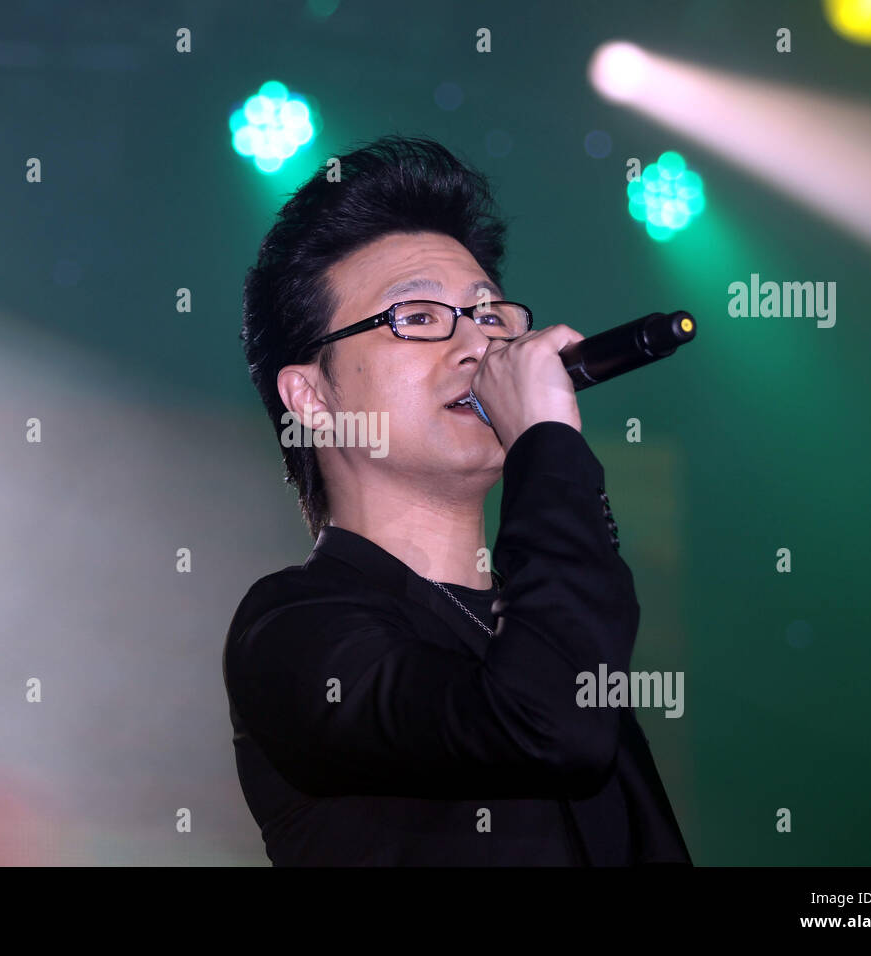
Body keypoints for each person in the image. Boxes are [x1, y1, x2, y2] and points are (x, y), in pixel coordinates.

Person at [224, 134, 691, 865]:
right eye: (416, 317)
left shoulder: (537, 623)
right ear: (312, 397)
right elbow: (542, 724)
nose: (478, 346)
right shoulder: (292, 629)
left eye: (490, 315)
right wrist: (546, 446)